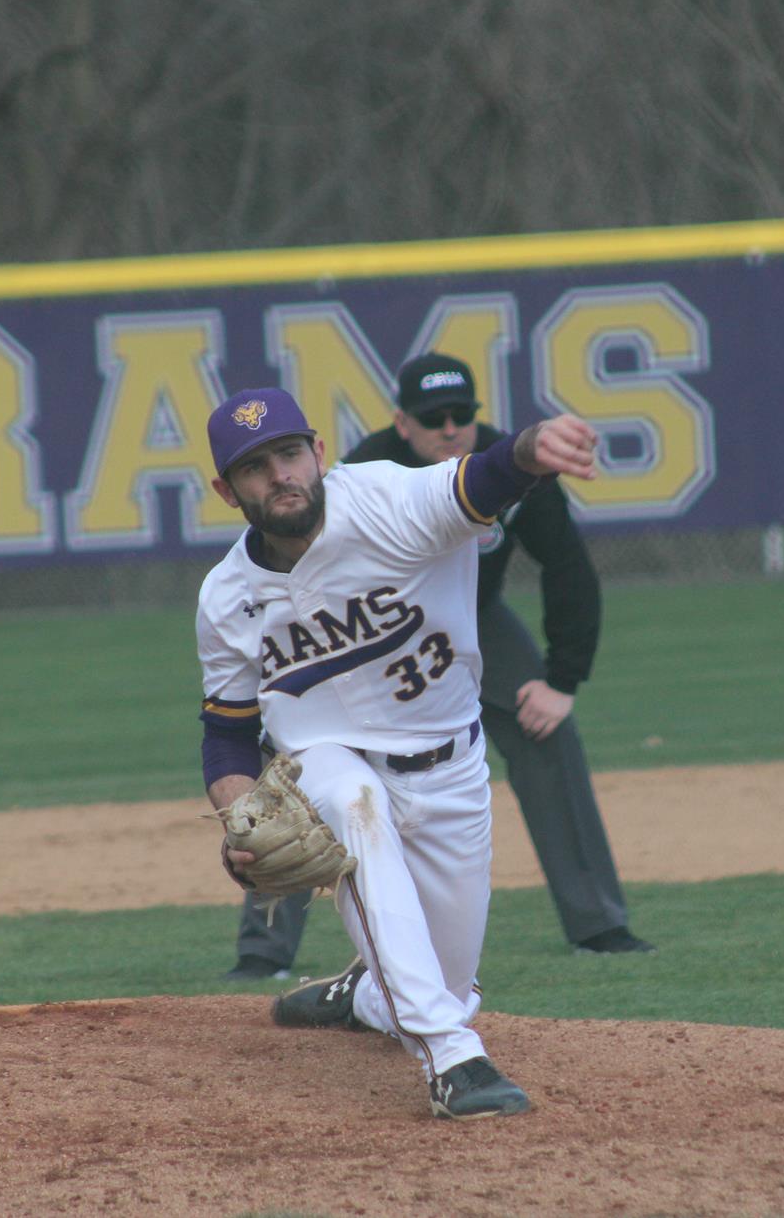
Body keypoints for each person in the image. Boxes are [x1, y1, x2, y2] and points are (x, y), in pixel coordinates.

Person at [196, 384, 603, 1120]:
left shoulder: (385, 499)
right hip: (326, 767)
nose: (279, 475)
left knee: (445, 982)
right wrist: (241, 815)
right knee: (356, 801)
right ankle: (454, 1060)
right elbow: (226, 729)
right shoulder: (227, 597)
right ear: (227, 489)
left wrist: (528, 449)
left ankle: (369, 993)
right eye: (255, 467)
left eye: (289, 453)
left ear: (319, 452)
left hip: (451, 769)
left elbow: (481, 480)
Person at [224, 354, 653, 982]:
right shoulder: (368, 470)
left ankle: (599, 924)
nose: (451, 429)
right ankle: (263, 954)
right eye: (433, 419)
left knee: (549, 733)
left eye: (462, 417)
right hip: (367, 629)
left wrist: (562, 680)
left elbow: (568, 568)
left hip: (472, 618)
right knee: (301, 767)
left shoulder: (501, 471)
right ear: (402, 422)